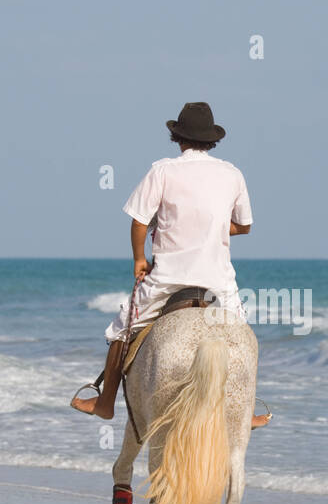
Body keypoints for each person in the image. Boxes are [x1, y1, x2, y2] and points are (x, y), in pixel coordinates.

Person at [71, 102, 270, 428]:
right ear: (212, 140)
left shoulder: (162, 170)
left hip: (167, 278)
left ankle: (105, 403)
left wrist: (139, 259)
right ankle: (244, 411)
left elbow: (138, 222)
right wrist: (215, 226)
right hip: (218, 281)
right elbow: (244, 226)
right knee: (242, 336)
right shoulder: (233, 174)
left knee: (121, 328)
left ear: (178, 138)